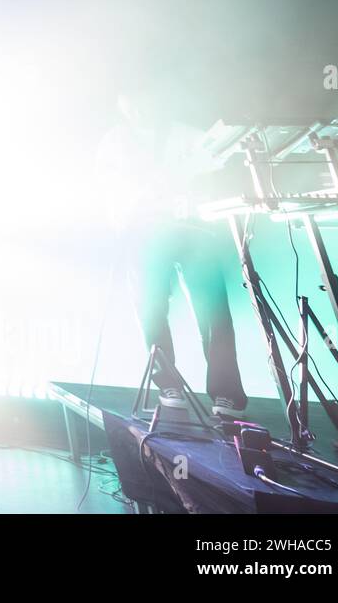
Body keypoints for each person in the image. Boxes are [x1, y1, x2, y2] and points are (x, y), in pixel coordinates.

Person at [94, 84, 248, 418]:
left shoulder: (185, 135)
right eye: (129, 98)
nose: (137, 106)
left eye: (143, 97)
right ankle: (168, 383)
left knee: (213, 311)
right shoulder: (115, 141)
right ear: (121, 102)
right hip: (145, 231)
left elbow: (218, 162)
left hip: (193, 230)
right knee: (150, 307)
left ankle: (226, 394)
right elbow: (109, 190)